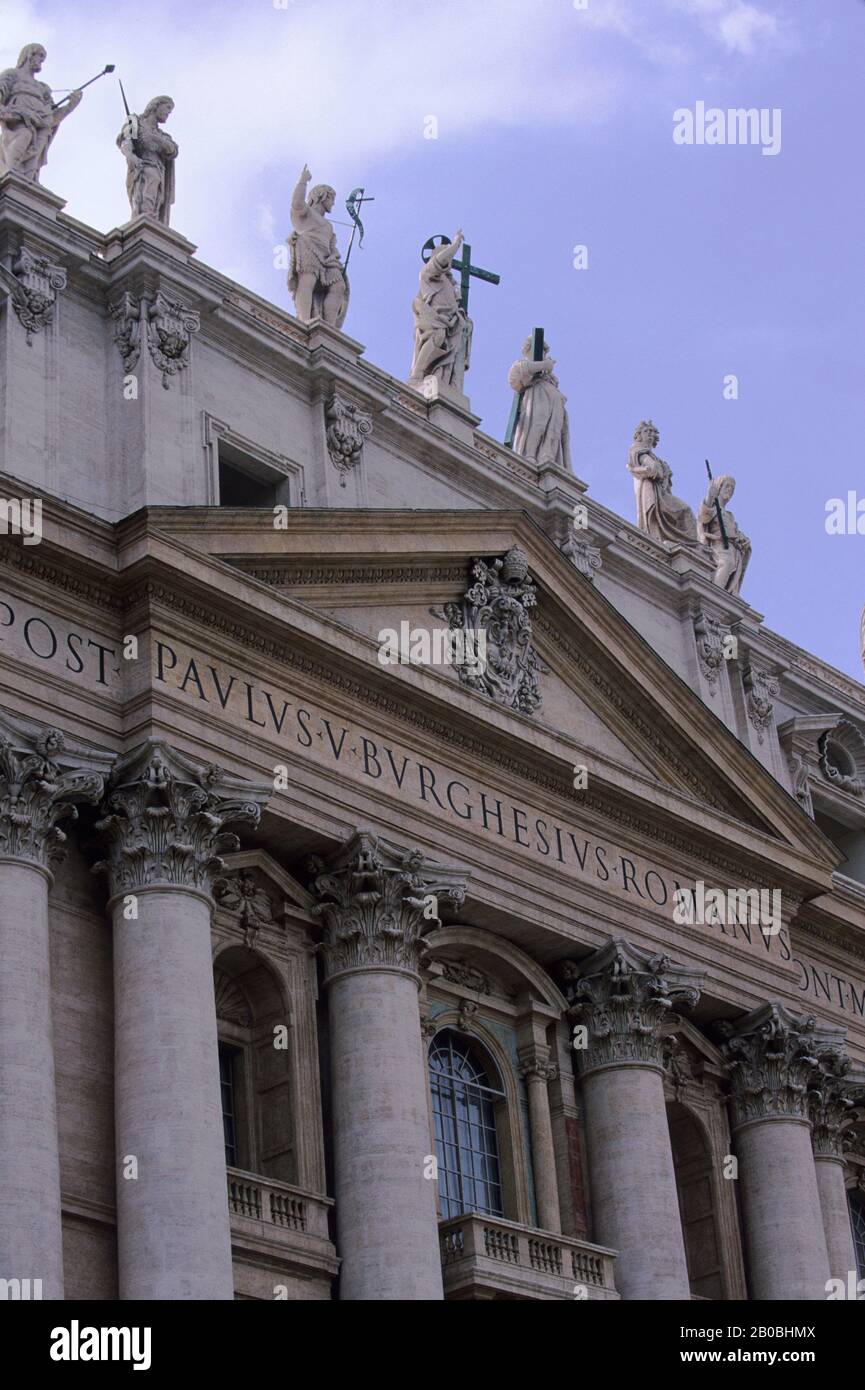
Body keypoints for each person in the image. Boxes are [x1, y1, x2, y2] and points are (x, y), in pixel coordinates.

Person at [0, 44, 81, 183]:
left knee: (30, 175)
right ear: (29, 55)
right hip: (18, 124)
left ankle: (27, 190)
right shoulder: (11, 75)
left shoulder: (43, 88)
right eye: (40, 57)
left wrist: (70, 106)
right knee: (22, 143)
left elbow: (51, 117)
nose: (41, 62)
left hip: (41, 128)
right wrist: (16, 113)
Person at [287, 164, 348, 327]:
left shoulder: (328, 226)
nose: (333, 204)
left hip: (327, 258)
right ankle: (305, 320)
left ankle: (329, 326)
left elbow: (332, 245)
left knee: (339, 286)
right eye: (331, 199)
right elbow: (297, 204)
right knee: (308, 280)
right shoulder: (307, 212)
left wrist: (334, 256)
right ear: (322, 196)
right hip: (308, 247)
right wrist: (303, 181)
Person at [117, 96, 178, 225]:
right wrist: (131, 156)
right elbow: (126, 141)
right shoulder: (135, 122)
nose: (168, 113)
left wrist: (155, 138)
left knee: (156, 205)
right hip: (142, 168)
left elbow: (173, 150)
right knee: (144, 206)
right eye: (167, 107)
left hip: (159, 172)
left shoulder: (162, 135)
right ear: (156, 105)